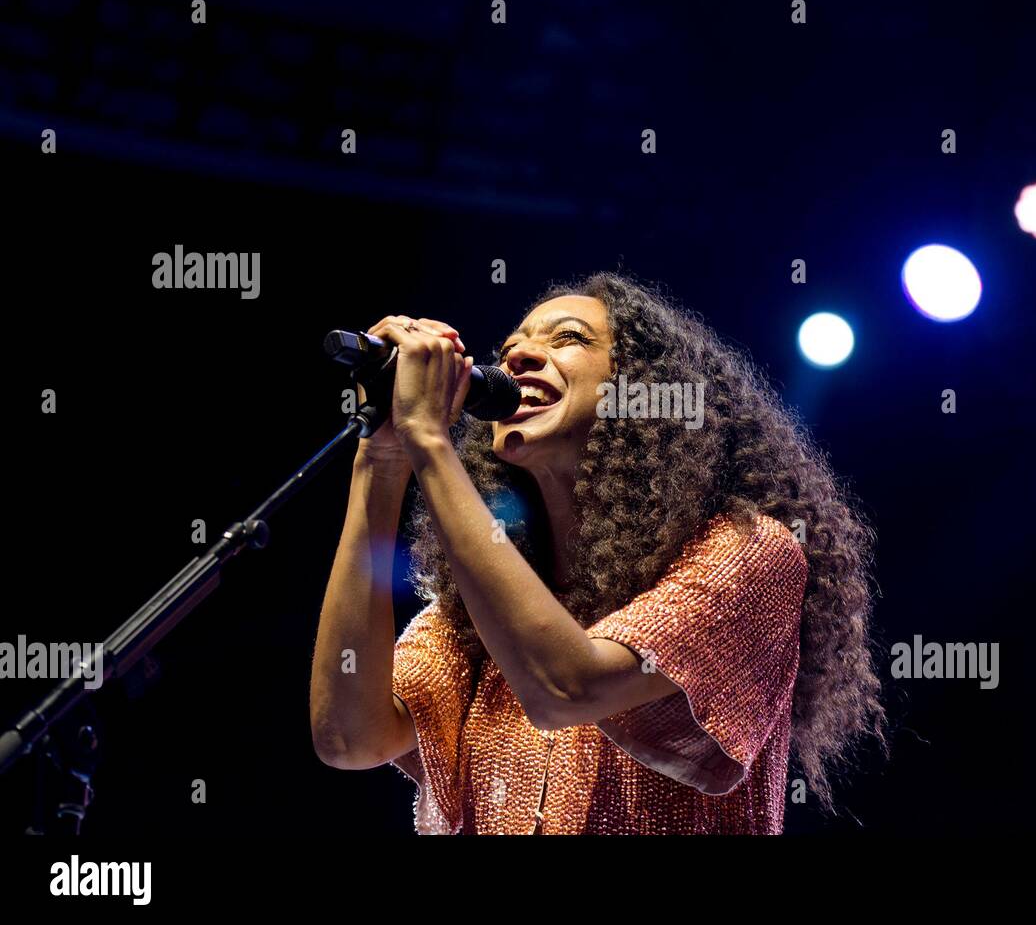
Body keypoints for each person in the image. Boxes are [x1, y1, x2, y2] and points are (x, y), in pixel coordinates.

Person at [308, 272, 886, 834]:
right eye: (511, 348)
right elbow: (348, 738)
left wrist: (430, 442)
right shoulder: (476, 607)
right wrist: (380, 463)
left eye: (568, 339)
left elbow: (568, 689)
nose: (519, 357)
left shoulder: (749, 552)